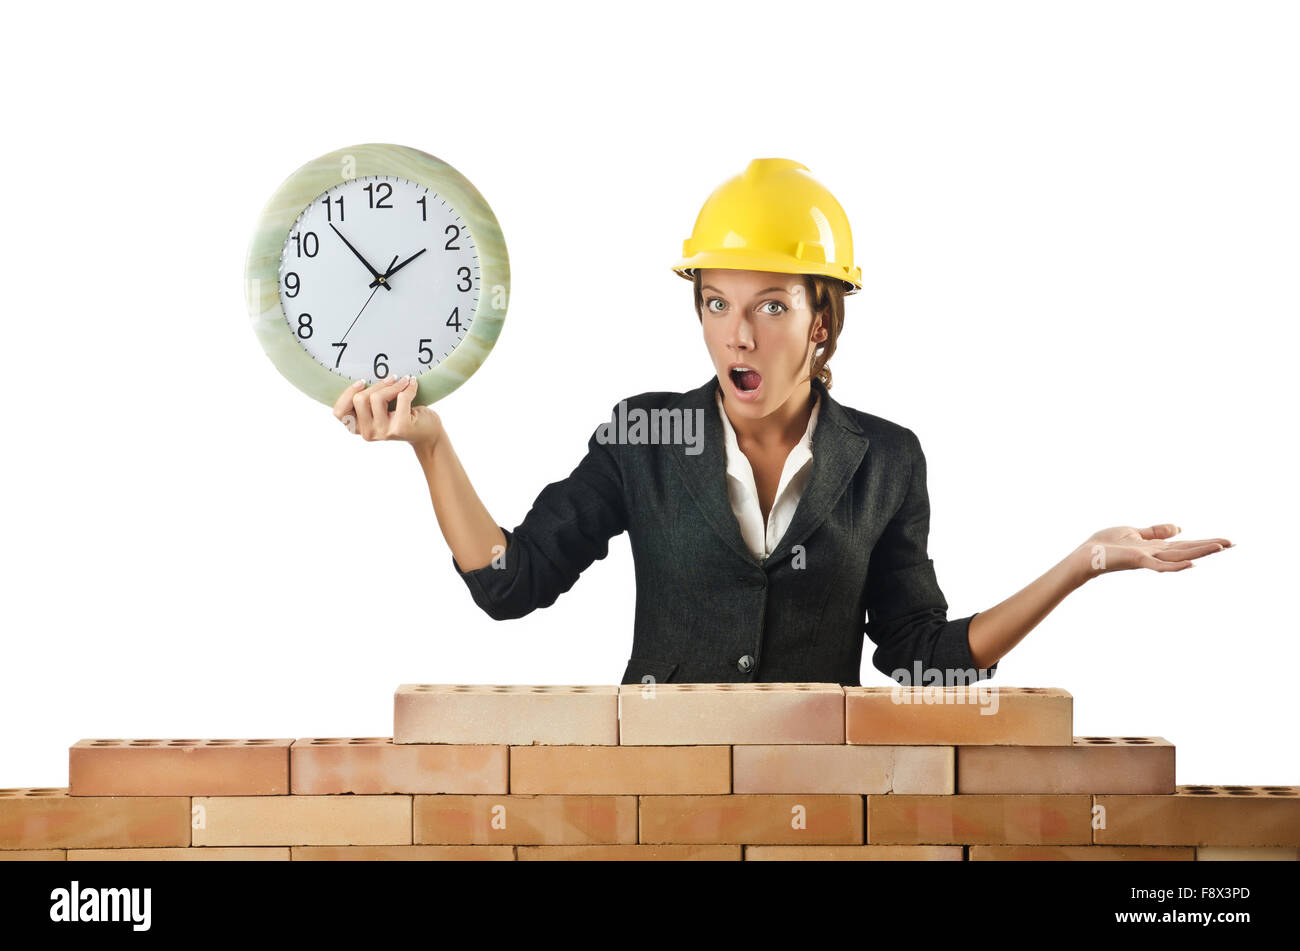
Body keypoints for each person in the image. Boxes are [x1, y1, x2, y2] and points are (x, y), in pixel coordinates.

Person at [331, 158, 1232, 686]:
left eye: (771, 305)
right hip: (658, 806)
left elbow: (921, 658)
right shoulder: (642, 439)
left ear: (822, 320)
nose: (738, 333)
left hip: (817, 809)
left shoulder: (886, 461)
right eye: (716, 303)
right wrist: (431, 445)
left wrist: (1082, 563)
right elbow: (510, 582)